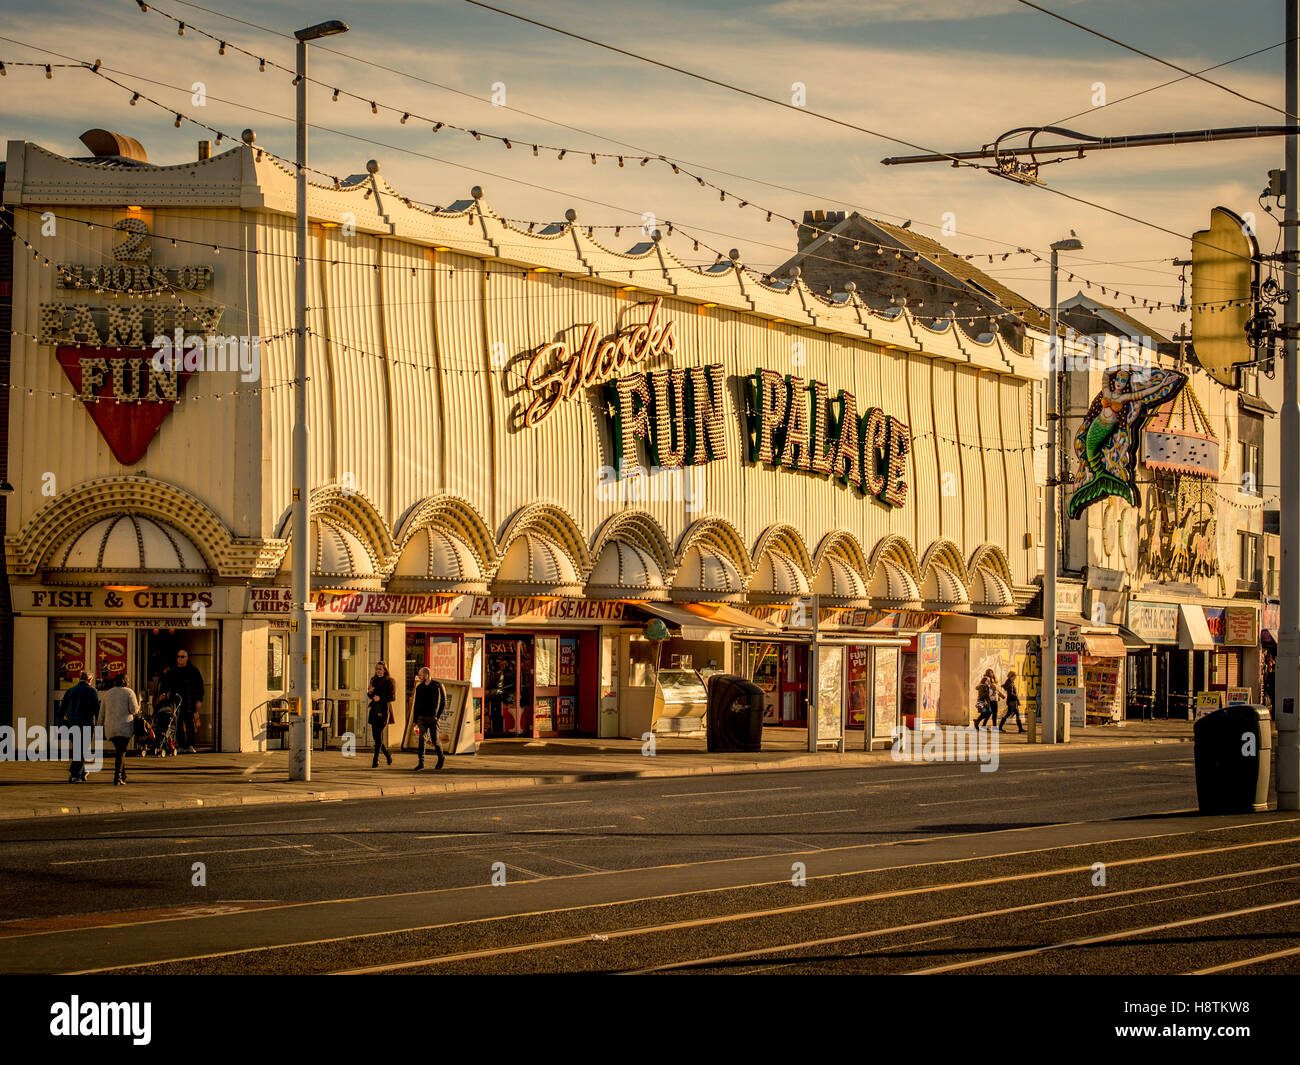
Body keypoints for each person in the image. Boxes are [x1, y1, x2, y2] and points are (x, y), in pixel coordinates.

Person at [159, 649, 204, 754]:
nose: (180, 659)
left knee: (189, 724)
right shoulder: (172, 671)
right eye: (178, 657)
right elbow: (165, 684)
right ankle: (181, 745)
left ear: (187, 658)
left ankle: (190, 745)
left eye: (182, 657)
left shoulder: (193, 671)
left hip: (189, 701)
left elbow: (200, 686)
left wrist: (199, 699)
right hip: (176, 702)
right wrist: (163, 693)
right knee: (178, 724)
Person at [101, 673, 141, 786]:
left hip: (111, 728)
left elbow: (102, 713)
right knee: (121, 752)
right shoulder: (129, 692)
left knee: (120, 751)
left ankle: (123, 775)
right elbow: (134, 710)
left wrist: (99, 726)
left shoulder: (108, 694)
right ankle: (117, 776)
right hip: (124, 727)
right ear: (126, 681)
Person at [62, 672, 99, 783]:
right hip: (86, 724)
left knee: (78, 748)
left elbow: (63, 707)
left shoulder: (70, 691)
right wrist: (100, 723)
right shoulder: (92, 691)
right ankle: (75, 774)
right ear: (90, 680)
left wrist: (60, 721)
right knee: (82, 749)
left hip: (72, 724)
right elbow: (96, 709)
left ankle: (82, 772)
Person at [411, 667, 445, 772]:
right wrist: (415, 720)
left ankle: (441, 757)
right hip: (422, 717)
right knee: (422, 739)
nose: (419, 677)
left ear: (426, 675)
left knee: (435, 740)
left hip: (433, 718)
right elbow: (416, 704)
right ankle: (421, 763)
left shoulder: (437, 685)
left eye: (420, 675)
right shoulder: (419, 687)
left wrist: (437, 716)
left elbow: (443, 702)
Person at [367, 661, 395, 768]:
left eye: (380, 669)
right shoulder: (373, 680)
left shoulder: (390, 681)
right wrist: (370, 693)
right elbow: (370, 695)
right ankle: (387, 754)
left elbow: (392, 697)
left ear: (385, 670)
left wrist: (381, 698)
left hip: (384, 710)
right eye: (377, 669)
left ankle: (375, 760)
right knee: (376, 737)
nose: (378, 671)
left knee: (378, 735)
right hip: (374, 709)